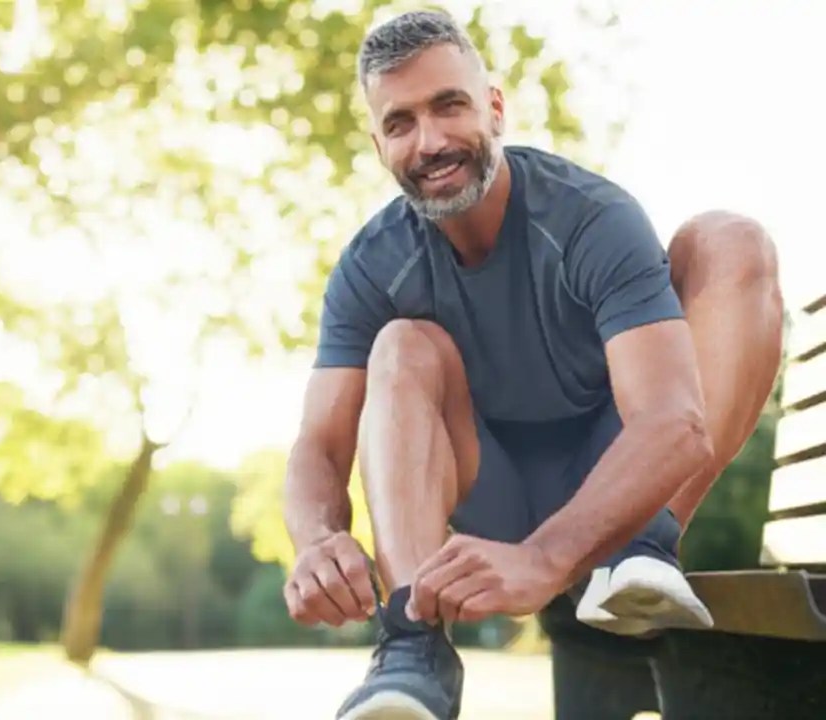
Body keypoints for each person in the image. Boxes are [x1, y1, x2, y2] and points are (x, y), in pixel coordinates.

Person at [280, 10, 783, 720]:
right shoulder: (372, 264)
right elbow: (319, 445)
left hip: (628, 478)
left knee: (732, 241)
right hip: (494, 492)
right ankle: (413, 644)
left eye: (449, 105)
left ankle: (642, 548)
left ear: (494, 106)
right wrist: (317, 541)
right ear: (378, 143)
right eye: (399, 123)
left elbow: (675, 423)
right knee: (399, 345)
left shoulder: (588, 218)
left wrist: (550, 560)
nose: (430, 142)